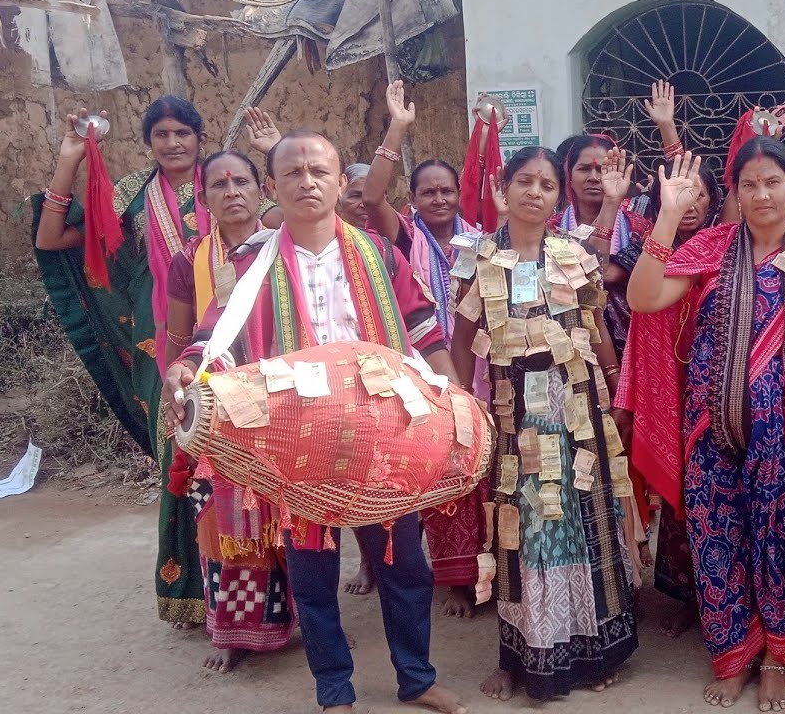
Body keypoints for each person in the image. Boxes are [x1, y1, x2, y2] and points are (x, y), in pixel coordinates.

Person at [161, 129, 466, 714]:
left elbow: (425, 326)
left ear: (340, 183)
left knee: (404, 566)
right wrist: (184, 368)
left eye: (319, 172)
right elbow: (214, 336)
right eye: (293, 173)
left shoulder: (380, 256)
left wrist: (449, 390)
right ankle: (334, 690)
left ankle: (417, 678)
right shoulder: (249, 263)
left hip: (383, 439)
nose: (307, 182)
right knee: (313, 572)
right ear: (273, 186)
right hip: (298, 443)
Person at [629, 130, 785, 710]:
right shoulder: (709, 246)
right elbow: (644, 298)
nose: (762, 195)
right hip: (711, 427)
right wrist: (669, 215)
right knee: (716, 538)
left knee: (778, 541)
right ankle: (732, 655)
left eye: (773, 183)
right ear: (735, 190)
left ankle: (780, 655)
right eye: (750, 184)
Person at [448, 146, 639, 702]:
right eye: (524, 182)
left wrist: (615, 390)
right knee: (520, 530)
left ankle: (596, 647)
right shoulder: (478, 259)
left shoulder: (572, 255)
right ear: (503, 189)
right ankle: (517, 656)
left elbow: (596, 325)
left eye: (547, 185)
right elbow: (463, 343)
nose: (535, 192)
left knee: (585, 518)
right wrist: (463, 406)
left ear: (559, 197)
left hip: (576, 408)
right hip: (515, 417)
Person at [34, 96, 212, 628]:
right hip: (158, 346)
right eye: (162, 134)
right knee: (179, 457)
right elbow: (52, 238)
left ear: (200, 137)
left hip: (233, 334)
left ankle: (253, 593)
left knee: (240, 457)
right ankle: (191, 590)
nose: (174, 143)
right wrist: (70, 159)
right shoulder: (132, 194)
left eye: (183, 132)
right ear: (148, 141)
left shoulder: (226, 182)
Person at [357, 79, 493, 615]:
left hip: (476, 364)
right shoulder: (404, 236)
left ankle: (484, 572)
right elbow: (370, 195)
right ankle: (452, 576)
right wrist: (398, 126)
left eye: (446, 191)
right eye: (427, 192)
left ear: (459, 196)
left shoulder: (479, 240)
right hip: (419, 366)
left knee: (478, 467)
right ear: (413, 200)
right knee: (435, 468)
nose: (438, 199)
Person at [165, 150, 294, 671]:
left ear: (260, 189)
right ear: (204, 198)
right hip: (214, 394)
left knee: (294, 517)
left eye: (242, 181)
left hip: (282, 394)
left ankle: (305, 620)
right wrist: (178, 377)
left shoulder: (284, 249)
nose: (232, 191)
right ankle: (235, 631)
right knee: (226, 514)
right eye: (219, 184)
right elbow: (183, 333)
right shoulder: (191, 259)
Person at [613, 159, 722, 639]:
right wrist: (632, 396)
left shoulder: (727, 245)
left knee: (713, 493)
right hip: (668, 386)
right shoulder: (652, 253)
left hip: (716, 390)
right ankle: (682, 595)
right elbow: (640, 326)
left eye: (701, 195)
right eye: (683, 195)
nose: (693, 205)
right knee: (677, 492)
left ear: (716, 200)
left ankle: (717, 596)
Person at [549, 135, 651, 357]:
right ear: (569, 176)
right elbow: (593, 276)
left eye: (603, 170)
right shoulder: (551, 230)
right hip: (569, 344)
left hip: (634, 345)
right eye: (584, 169)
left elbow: (598, 273)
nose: (594, 178)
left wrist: (612, 201)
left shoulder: (640, 228)